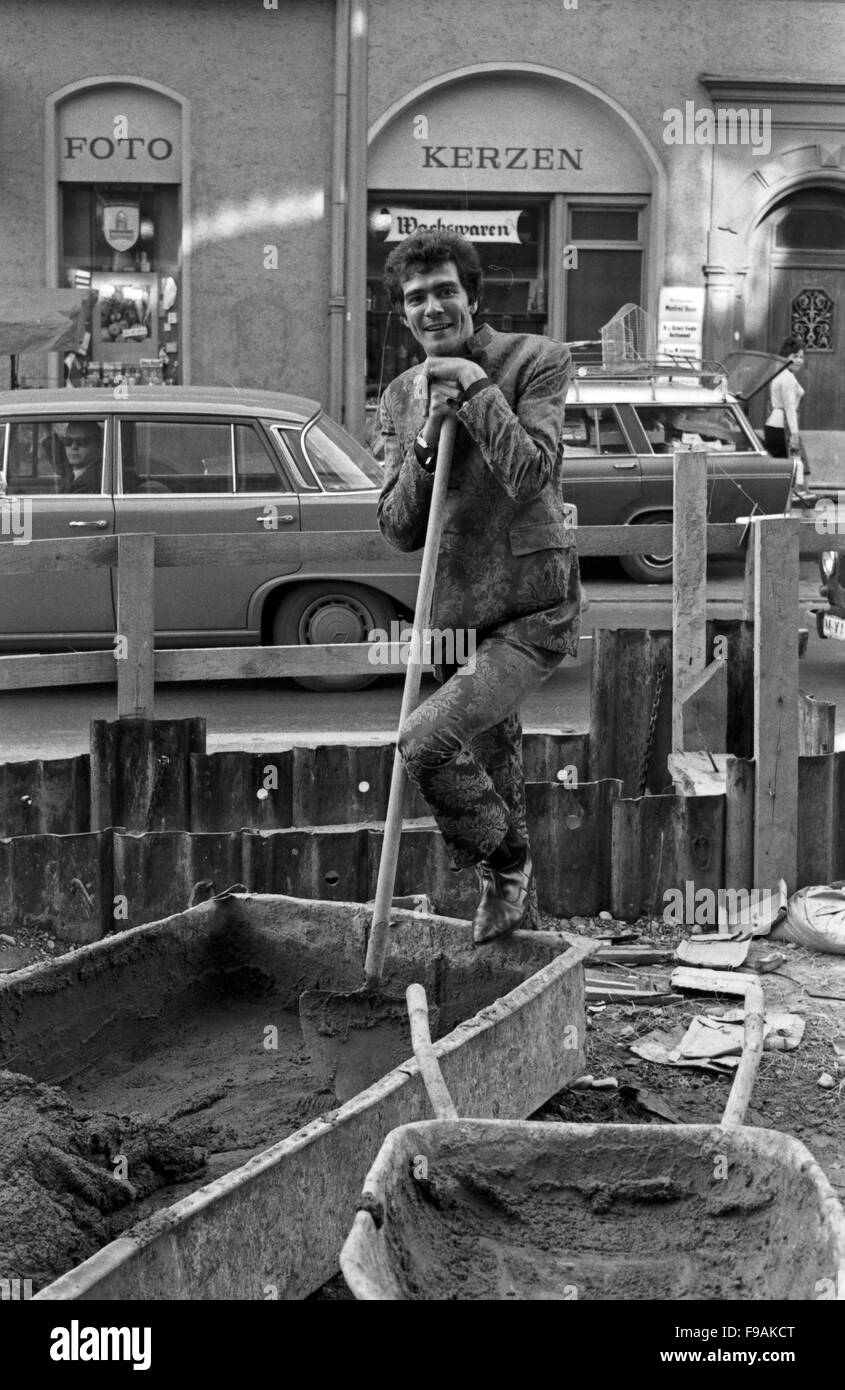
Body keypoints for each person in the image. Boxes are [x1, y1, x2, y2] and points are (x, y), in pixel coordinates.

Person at [376, 229, 581, 944]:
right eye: (414, 298)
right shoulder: (401, 395)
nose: (430, 308)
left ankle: (508, 865)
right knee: (492, 768)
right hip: (455, 613)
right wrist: (429, 436)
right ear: (402, 312)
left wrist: (473, 387)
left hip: (530, 610)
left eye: (443, 292)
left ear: (470, 296)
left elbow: (532, 473)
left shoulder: (538, 361)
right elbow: (399, 527)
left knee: (424, 743)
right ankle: (520, 930)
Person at [765, 336, 806, 464]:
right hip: (784, 428)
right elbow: (790, 408)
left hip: (775, 425)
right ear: (785, 357)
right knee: (794, 471)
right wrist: (794, 435)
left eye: (801, 357)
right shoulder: (787, 377)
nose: (799, 360)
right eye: (795, 356)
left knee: (783, 470)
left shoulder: (781, 373)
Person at [61, 422, 104, 493]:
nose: (73, 447)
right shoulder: (73, 473)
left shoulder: (87, 484)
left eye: (81, 441)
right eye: (68, 441)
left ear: (97, 446)